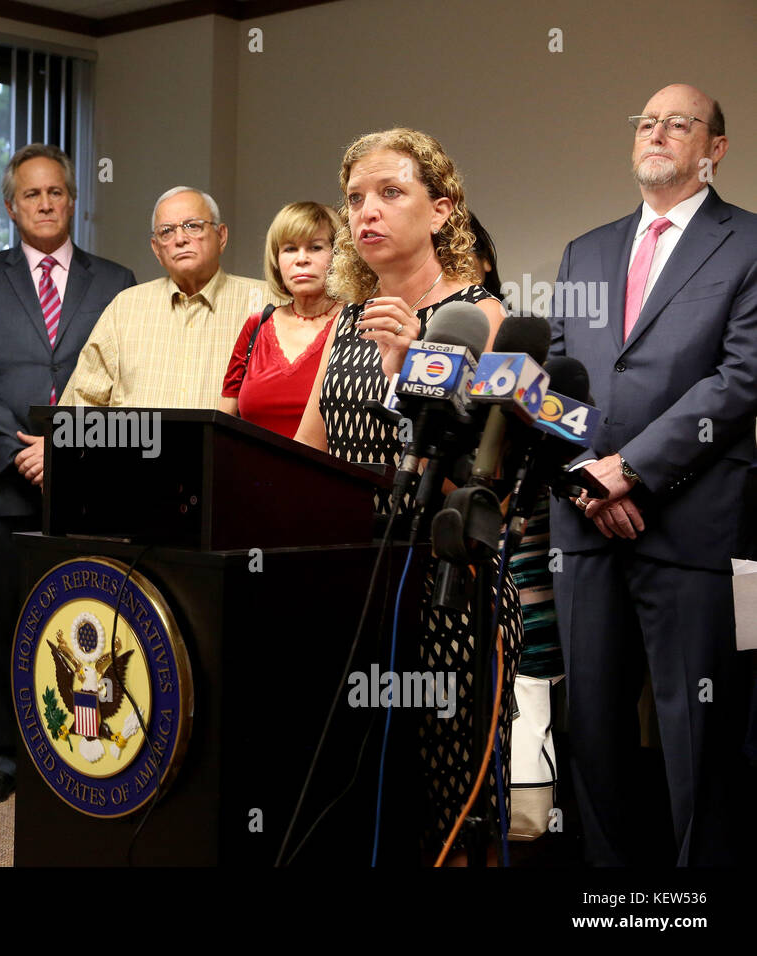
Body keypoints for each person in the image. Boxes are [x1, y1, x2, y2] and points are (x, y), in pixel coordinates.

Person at [294, 128, 524, 862]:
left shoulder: (483, 318)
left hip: (446, 589)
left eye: (391, 193)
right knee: (367, 799)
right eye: (356, 197)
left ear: (441, 209)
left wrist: (407, 374)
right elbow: (307, 452)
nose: (366, 211)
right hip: (355, 586)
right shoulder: (346, 320)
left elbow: (487, 486)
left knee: (446, 807)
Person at [549, 83, 757, 866]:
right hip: (585, 529)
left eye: (681, 122)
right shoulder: (585, 250)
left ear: (716, 150)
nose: (658, 131)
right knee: (593, 735)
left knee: (696, 742)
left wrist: (630, 469)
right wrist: (583, 478)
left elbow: (739, 379)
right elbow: (555, 384)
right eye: (646, 121)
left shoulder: (749, 244)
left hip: (690, 529)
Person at [0, 144, 136, 806]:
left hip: (86, 481)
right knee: (2, 626)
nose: (46, 203)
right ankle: (3, 758)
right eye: (32, 194)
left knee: (83, 625)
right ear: (11, 206)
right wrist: (22, 450)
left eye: (57, 192)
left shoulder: (117, 280)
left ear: (74, 200)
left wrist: (66, 452)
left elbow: (125, 378)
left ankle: (80, 750)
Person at [60, 187, 271, 407]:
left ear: (221, 236)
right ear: (157, 250)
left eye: (192, 226)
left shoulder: (264, 303)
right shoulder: (125, 308)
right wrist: (55, 438)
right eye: (166, 231)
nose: (180, 239)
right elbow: (82, 401)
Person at [219, 201, 343, 436]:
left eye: (315, 247)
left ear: (338, 255)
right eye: (290, 249)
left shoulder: (353, 323)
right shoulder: (257, 325)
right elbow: (223, 425)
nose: (302, 259)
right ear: (277, 260)